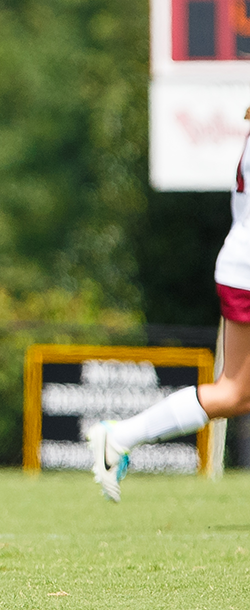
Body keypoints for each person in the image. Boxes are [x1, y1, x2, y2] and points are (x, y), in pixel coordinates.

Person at [87, 106, 250, 503]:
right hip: (247, 268)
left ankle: (120, 437)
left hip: (241, 264)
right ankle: (119, 436)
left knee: (234, 394)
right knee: (233, 392)